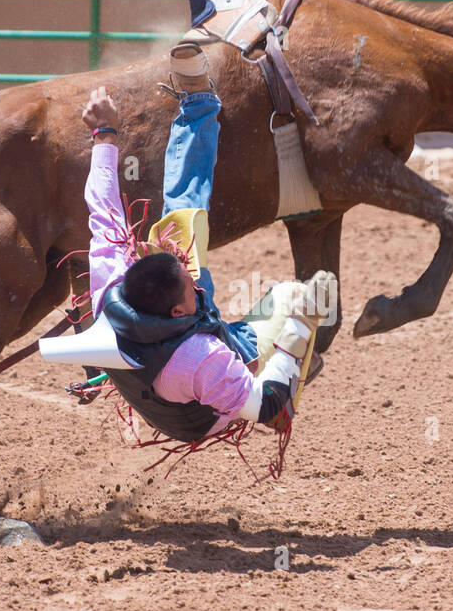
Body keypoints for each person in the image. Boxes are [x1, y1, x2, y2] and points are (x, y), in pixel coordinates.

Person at [75, 43, 335, 443]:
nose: (196, 282)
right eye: (191, 288)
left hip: (162, 372)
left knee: (181, 225)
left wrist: (104, 133)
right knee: (294, 296)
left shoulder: (111, 280)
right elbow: (263, 406)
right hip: (204, 409)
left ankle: (198, 106)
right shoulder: (205, 359)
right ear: (179, 310)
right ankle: (290, 384)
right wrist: (298, 330)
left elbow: (102, 205)